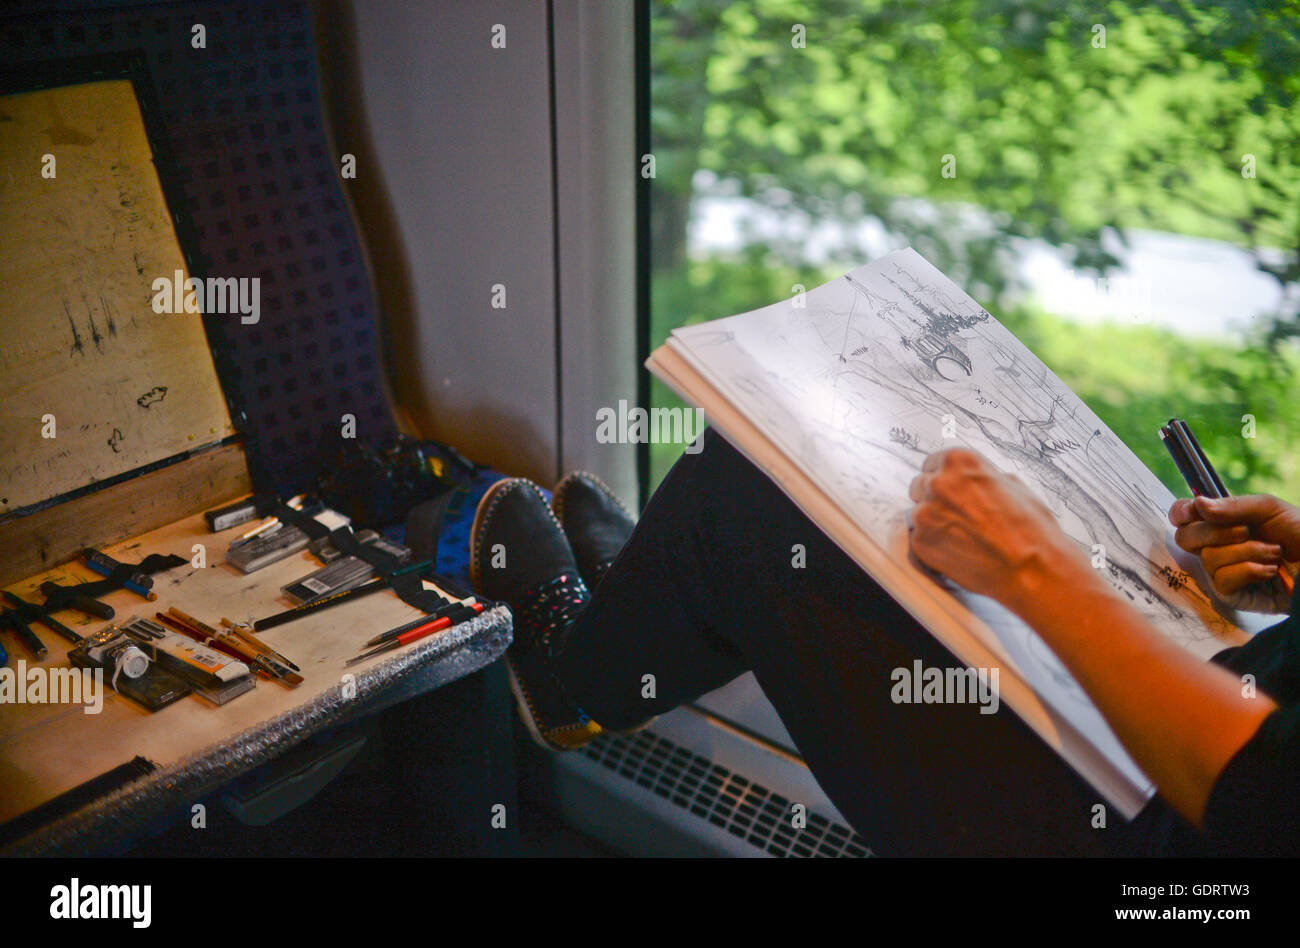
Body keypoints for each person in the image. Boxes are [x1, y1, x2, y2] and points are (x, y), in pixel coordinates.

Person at [469, 427, 1300, 856]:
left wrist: (1035, 564)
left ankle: (579, 679)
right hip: (1227, 698)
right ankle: (646, 605)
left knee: (742, 482)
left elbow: (1263, 796)